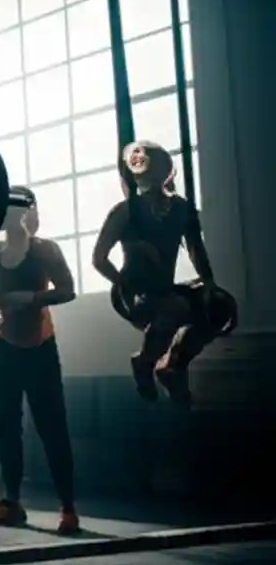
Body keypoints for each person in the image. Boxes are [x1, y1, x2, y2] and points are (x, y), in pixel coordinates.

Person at [0, 186, 79, 535]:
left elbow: (68, 289)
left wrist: (33, 297)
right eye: (3, 207)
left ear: (28, 211)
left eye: (17, 206)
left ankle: (68, 506)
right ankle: (13, 501)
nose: (8, 213)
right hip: (3, 345)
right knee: (7, 427)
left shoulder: (45, 249)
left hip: (39, 345)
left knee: (52, 426)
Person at [92, 140, 219, 409]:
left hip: (165, 289)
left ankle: (172, 364)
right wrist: (121, 281)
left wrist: (209, 285)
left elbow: (197, 251)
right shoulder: (125, 211)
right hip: (135, 292)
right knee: (172, 308)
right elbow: (99, 259)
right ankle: (144, 362)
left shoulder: (182, 209)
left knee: (219, 308)